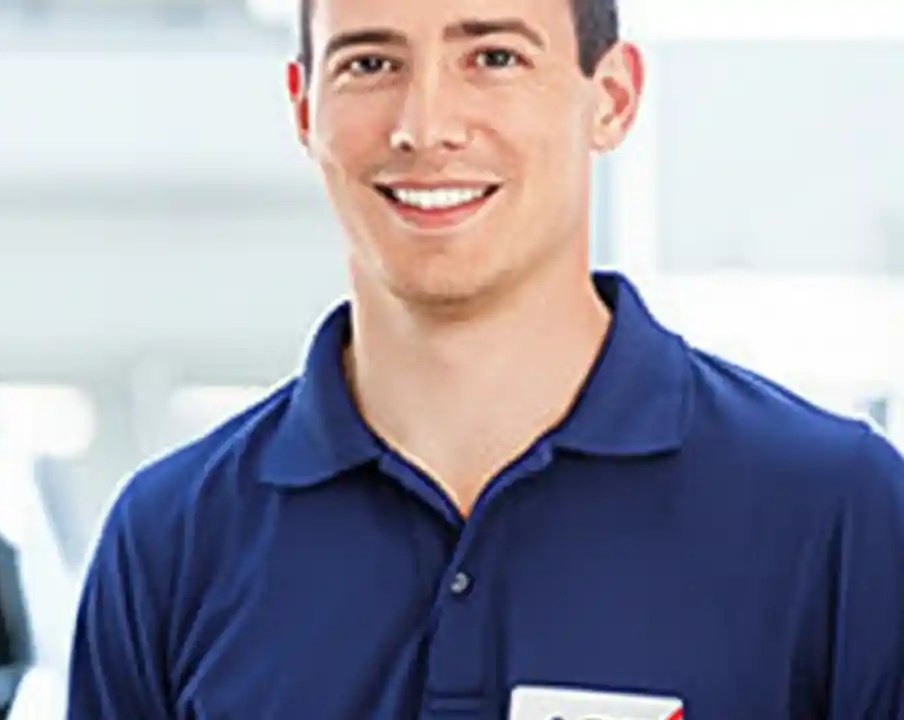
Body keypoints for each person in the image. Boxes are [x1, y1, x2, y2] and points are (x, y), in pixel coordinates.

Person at [68, 0, 904, 716]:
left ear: (610, 100)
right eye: (369, 63)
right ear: (303, 106)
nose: (424, 127)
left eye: (494, 57)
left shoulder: (839, 514)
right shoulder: (170, 541)